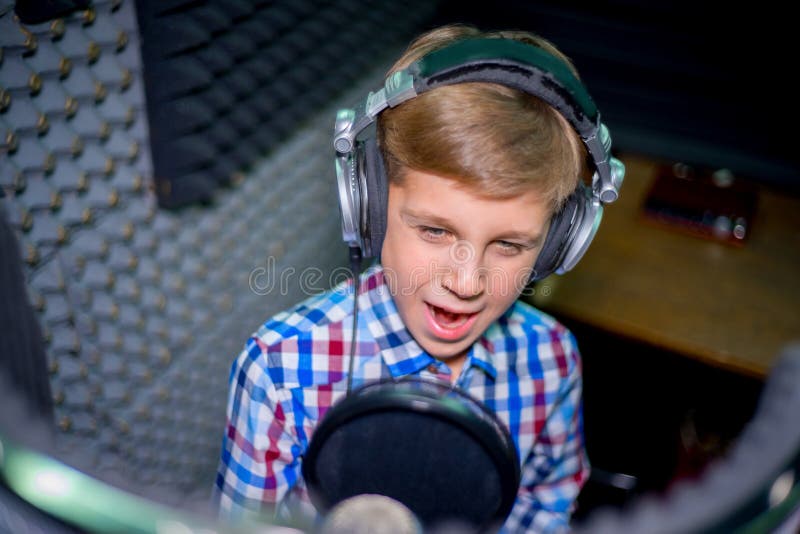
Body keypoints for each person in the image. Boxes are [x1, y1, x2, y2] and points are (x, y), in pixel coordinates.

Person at [215, 22, 624, 533]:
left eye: (509, 244)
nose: (467, 281)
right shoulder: (278, 371)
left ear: (560, 241)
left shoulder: (553, 359)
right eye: (434, 230)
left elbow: (544, 508)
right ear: (371, 205)